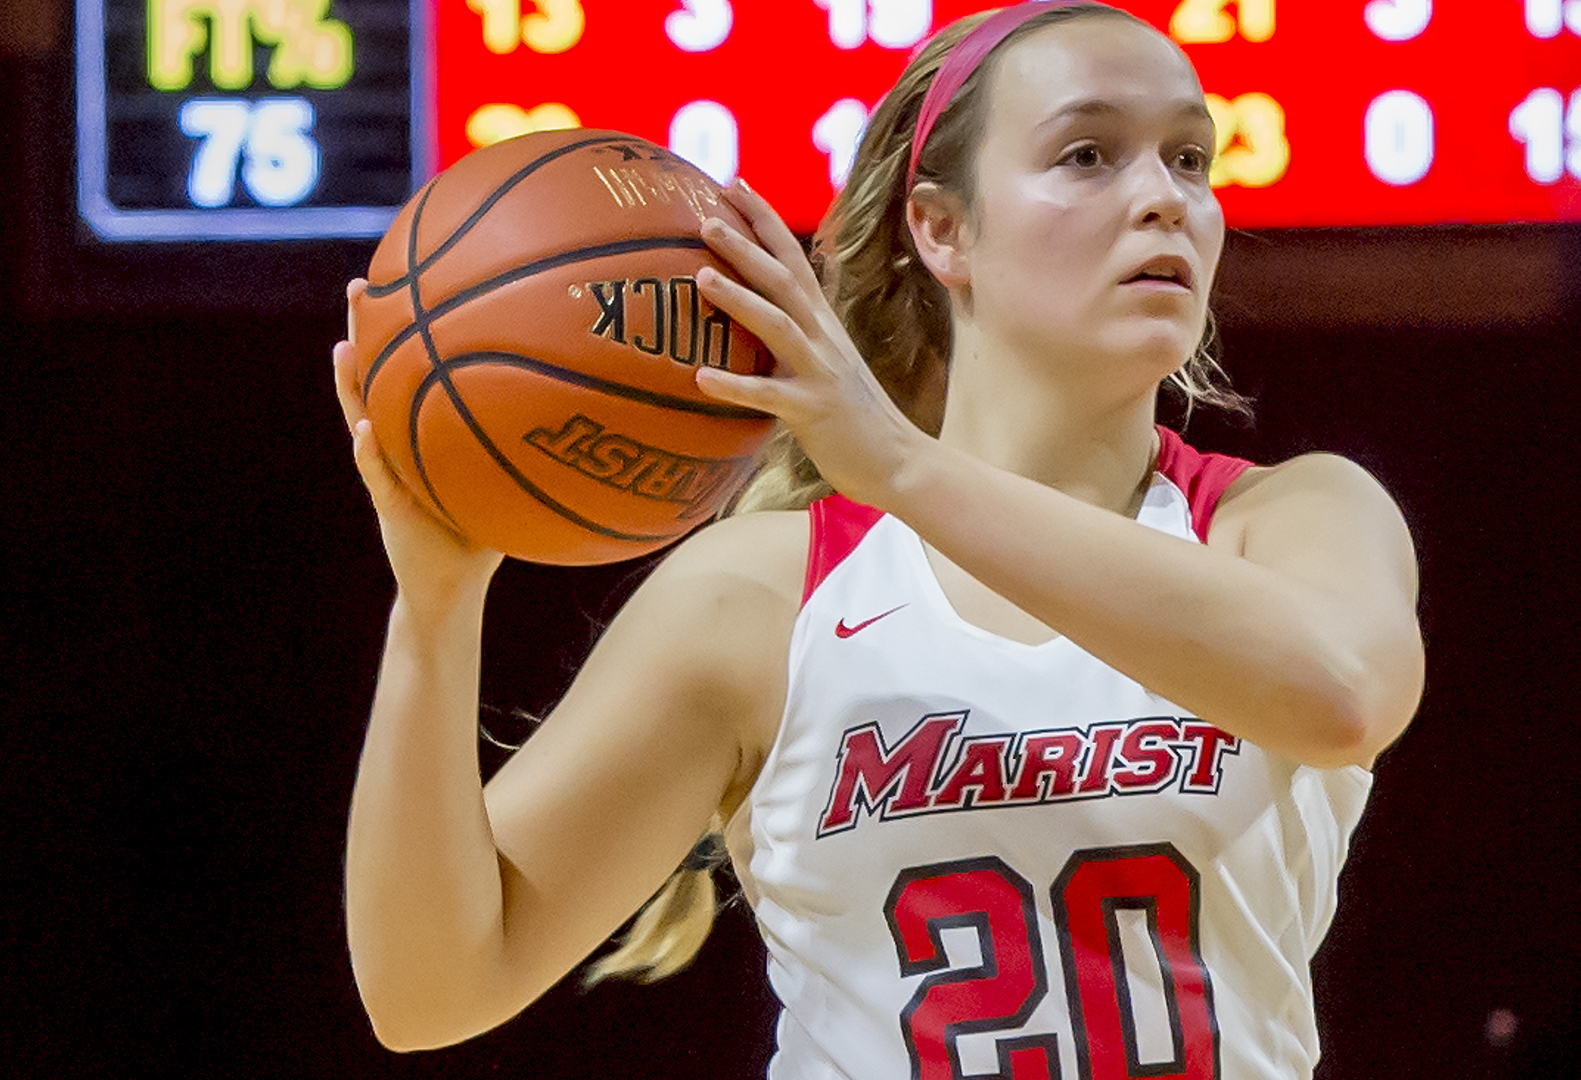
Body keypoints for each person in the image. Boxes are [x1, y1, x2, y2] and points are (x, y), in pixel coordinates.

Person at [336, 3, 1425, 1077]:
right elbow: (430, 991)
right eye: (1088, 155)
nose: (1164, 199)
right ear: (942, 229)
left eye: (1189, 159)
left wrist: (900, 465)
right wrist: (436, 612)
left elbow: (1339, 696)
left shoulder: (1291, 517)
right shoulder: (761, 598)